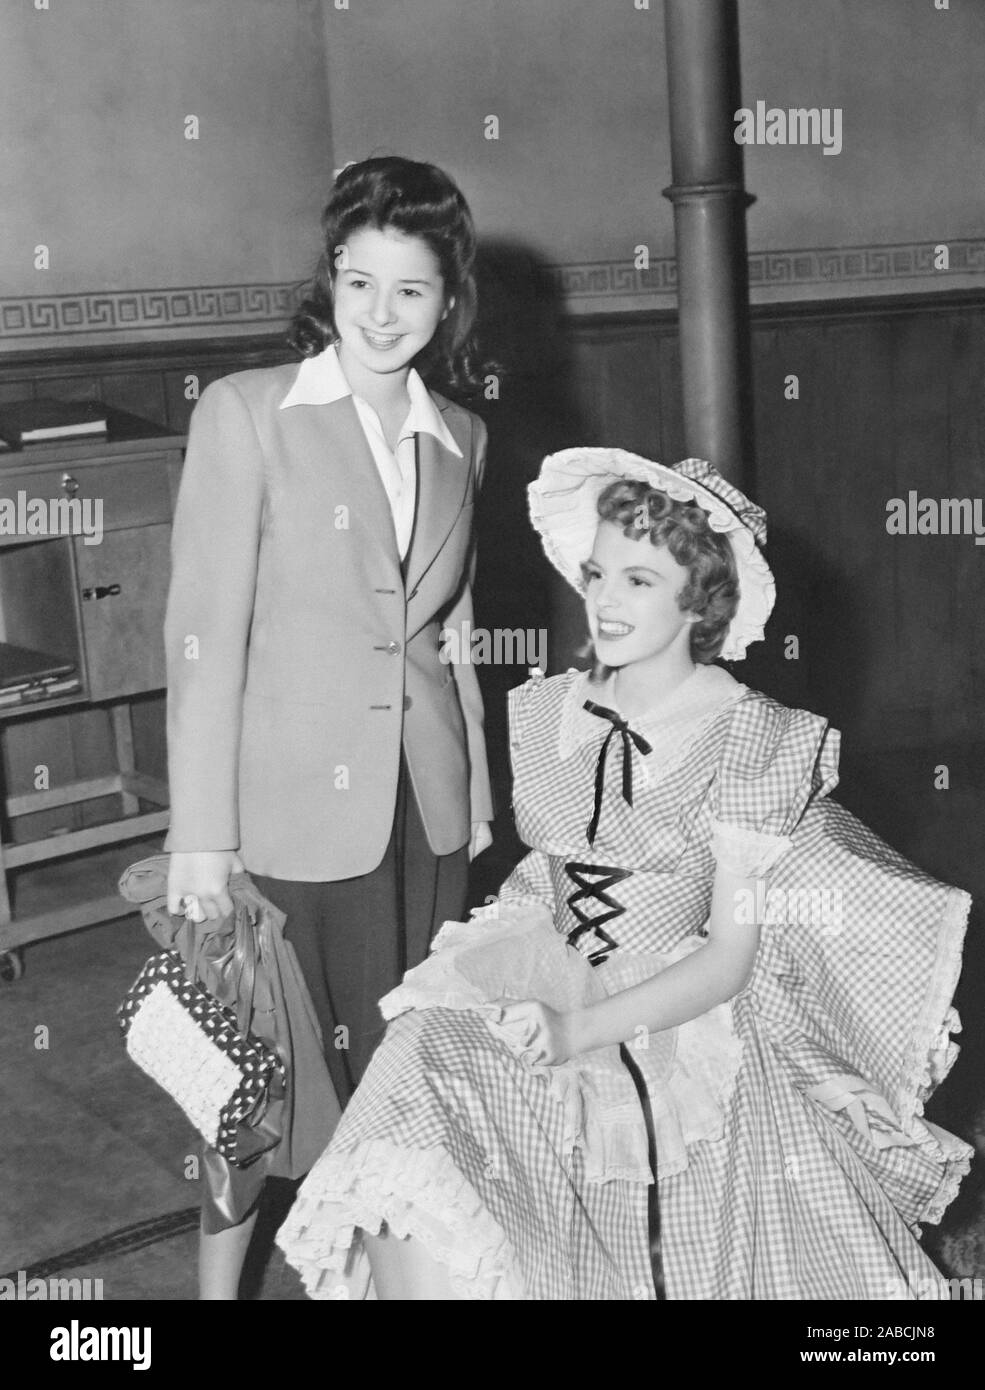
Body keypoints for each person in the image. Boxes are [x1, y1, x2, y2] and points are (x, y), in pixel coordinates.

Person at [275, 447, 973, 1301]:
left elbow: (728, 959)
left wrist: (579, 1031)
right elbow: (544, 879)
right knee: (414, 1077)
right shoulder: (548, 709)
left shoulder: (750, 738)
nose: (602, 600)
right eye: (597, 572)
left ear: (700, 601)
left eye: (638, 581)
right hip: (552, 969)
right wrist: (491, 969)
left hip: (684, 1009)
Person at [163, 156, 494, 1299]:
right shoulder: (249, 413)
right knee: (251, 1080)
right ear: (331, 281)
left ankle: (375, 1286)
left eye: (410, 290)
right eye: (360, 283)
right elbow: (200, 636)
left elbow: (450, 639)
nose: (381, 314)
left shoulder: (462, 434)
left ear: (448, 300)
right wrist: (199, 838)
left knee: (403, 1079)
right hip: (288, 814)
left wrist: (480, 803)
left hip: (424, 810)